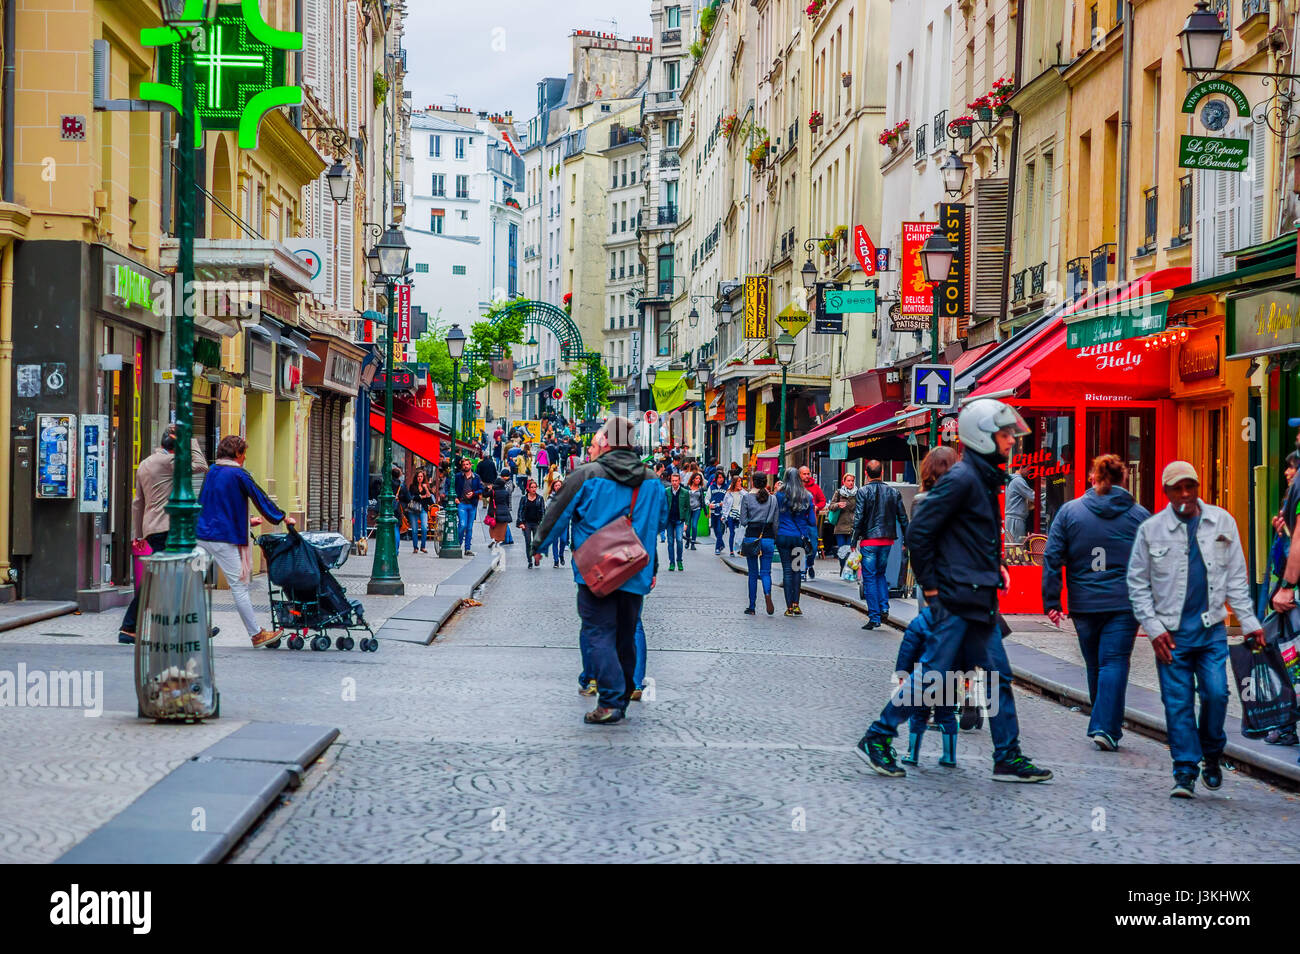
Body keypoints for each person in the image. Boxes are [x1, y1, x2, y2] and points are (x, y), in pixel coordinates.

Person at [857, 399, 1053, 782]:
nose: (1012, 440)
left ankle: (1007, 755)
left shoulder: (980, 478)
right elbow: (920, 531)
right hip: (958, 599)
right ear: (982, 437)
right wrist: (932, 588)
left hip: (977, 596)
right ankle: (878, 737)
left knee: (997, 676)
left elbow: (966, 536)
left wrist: (992, 566)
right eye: (1005, 434)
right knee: (934, 677)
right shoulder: (963, 479)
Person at [1128, 461, 1263, 799]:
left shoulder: (1222, 521)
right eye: (1177, 488)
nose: (1185, 493)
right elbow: (1137, 584)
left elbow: (1236, 577)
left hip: (1212, 630)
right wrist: (1154, 628)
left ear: (1198, 486)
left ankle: (1212, 753)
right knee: (1177, 703)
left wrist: (1248, 622)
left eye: (1190, 486)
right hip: (1171, 635)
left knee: (1217, 694)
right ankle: (1185, 770)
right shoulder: (1151, 529)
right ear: (1166, 492)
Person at [534, 416, 668, 724]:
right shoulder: (651, 480)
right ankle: (622, 695)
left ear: (606, 443)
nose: (592, 449)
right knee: (625, 633)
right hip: (635, 570)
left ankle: (609, 701)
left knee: (598, 631)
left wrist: (538, 546)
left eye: (595, 443)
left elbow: (557, 512)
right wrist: (654, 566)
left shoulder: (586, 475)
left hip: (595, 572)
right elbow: (656, 525)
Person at [1040, 454, 1150, 751]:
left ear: (1092, 478)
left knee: (1095, 663)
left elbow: (1052, 556)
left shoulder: (1070, 513)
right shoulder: (1139, 516)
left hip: (1085, 602)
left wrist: (1052, 600)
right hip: (1124, 603)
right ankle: (1106, 725)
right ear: (1123, 479)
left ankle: (1103, 721)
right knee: (1114, 662)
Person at [896, 445, 962, 766]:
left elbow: (916, 545)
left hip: (934, 590)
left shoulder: (922, 503)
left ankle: (910, 750)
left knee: (926, 661)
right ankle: (949, 753)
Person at [195, 435, 294, 648]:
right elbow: (260, 497)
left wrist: (246, 520)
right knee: (239, 587)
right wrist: (282, 517)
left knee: (193, 583)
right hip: (224, 539)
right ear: (238, 454)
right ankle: (256, 634)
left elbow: (210, 503)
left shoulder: (212, 471)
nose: (245, 457)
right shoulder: (239, 474)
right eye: (244, 453)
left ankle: (194, 628)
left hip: (201, 537)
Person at [118, 424, 210, 644]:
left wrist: (139, 534)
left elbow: (137, 503)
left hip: (153, 529)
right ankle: (131, 626)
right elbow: (201, 465)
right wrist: (190, 440)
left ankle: (133, 627)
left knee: (167, 577)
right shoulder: (168, 462)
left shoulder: (145, 464)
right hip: (169, 528)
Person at [852, 459, 909, 631]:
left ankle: (875, 616)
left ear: (866, 474)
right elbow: (903, 518)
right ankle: (884, 606)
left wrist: (854, 540)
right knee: (881, 575)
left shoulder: (862, 491)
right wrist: (906, 540)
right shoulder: (893, 492)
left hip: (869, 540)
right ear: (882, 473)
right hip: (887, 540)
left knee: (869, 577)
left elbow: (859, 517)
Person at [773, 467, 817, 616]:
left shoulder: (779, 495)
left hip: (783, 536)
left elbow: (775, 516)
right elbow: (812, 522)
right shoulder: (807, 496)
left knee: (787, 570)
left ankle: (788, 607)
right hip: (799, 538)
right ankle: (796, 604)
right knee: (796, 569)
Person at [740, 472, 778, 615]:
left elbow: (743, 521)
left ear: (753, 482)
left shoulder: (747, 498)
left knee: (753, 573)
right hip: (767, 536)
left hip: (752, 537)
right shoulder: (773, 499)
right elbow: (776, 522)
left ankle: (752, 606)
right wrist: (774, 538)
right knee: (766, 572)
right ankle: (767, 594)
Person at [798, 465, 827, 578]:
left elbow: (823, 500)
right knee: (800, 546)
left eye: (808, 473)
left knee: (813, 547)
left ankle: (810, 564)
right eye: (804, 474)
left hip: (811, 522)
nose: (806, 476)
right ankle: (802, 571)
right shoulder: (796, 487)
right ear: (799, 474)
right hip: (799, 522)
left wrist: (816, 507)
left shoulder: (815, 487)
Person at [826, 472, 857, 575]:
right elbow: (830, 507)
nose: (851, 483)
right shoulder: (839, 493)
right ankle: (842, 566)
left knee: (850, 551)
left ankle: (848, 571)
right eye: (848, 480)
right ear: (844, 482)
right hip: (840, 527)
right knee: (842, 551)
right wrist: (838, 505)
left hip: (852, 527)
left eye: (852, 481)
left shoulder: (858, 493)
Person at [454, 458, 484, 556]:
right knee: (462, 525)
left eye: (467, 464)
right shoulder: (458, 476)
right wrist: (455, 497)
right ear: (462, 466)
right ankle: (458, 545)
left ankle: (467, 549)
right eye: (464, 465)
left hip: (472, 505)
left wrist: (474, 493)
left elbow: (481, 489)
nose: (466, 466)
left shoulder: (476, 477)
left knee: (470, 528)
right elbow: (451, 488)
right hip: (461, 504)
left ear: (470, 465)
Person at [517, 478, 546, 568]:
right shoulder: (524, 499)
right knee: (528, 542)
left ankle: (536, 558)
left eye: (535, 487)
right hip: (527, 523)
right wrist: (521, 522)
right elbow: (520, 511)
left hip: (537, 523)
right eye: (532, 487)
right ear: (528, 489)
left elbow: (543, 511)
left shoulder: (540, 499)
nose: (533, 489)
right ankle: (530, 561)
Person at [663, 472, 689, 571]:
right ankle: (672, 562)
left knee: (679, 540)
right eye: (673, 481)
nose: (674, 483)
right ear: (671, 481)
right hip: (669, 521)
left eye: (676, 481)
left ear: (679, 481)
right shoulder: (666, 491)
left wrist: (686, 523)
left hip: (679, 520)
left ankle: (679, 560)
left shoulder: (685, 492)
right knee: (670, 542)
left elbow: (687, 508)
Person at [1004, 464, 1034, 545]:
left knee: (1011, 547)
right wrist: (1047, 495)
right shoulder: (1018, 481)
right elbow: (1033, 496)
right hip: (1015, 519)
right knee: (1017, 547)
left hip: (1011, 517)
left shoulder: (1011, 479)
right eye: (1028, 468)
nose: (1030, 471)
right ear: (1021, 467)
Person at [408, 469, 435, 554]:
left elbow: (431, 501)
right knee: (415, 529)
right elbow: (412, 497)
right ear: (416, 477)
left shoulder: (426, 486)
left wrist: (426, 488)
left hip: (423, 509)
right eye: (418, 476)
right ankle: (415, 547)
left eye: (421, 476)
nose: (420, 478)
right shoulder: (412, 486)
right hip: (413, 509)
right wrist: (422, 496)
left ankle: (423, 546)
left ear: (424, 477)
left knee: (424, 527)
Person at [546, 477, 569, 566]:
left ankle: (561, 555)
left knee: (563, 540)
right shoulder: (551, 497)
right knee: (555, 542)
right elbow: (547, 508)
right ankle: (556, 560)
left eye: (560, 485)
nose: (558, 487)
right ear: (553, 487)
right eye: (556, 485)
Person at [486, 474, 513, 547]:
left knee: (493, 526)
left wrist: (486, 488)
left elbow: (484, 495)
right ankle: (499, 540)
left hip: (494, 511)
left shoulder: (493, 492)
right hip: (504, 510)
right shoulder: (505, 492)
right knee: (501, 527)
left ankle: (494, 539)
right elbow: (507, 502)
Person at [707, 471, 729, 554]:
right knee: (715, 529)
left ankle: (717, 548)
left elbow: (729, 499)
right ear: (716, 479)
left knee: (720, 530)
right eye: (719, 477)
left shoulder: (727, 487)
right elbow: (707, 498)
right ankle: (721, 544)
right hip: (713, 511)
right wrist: (709, 504)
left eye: (722, 477)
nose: (721, 479)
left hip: (722, 512)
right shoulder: (711, 487)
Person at [686, 471, 706, 552]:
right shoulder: (687, 487)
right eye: (696, 478)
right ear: (693, 479)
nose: (698, 480)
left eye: (699, 479)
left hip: (697, 509)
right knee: (688, 527)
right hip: (688, 510)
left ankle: (693, 543)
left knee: (694, 525)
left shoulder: (701, 489)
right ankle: (687, 540)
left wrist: (705, 511)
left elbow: (702, 501)